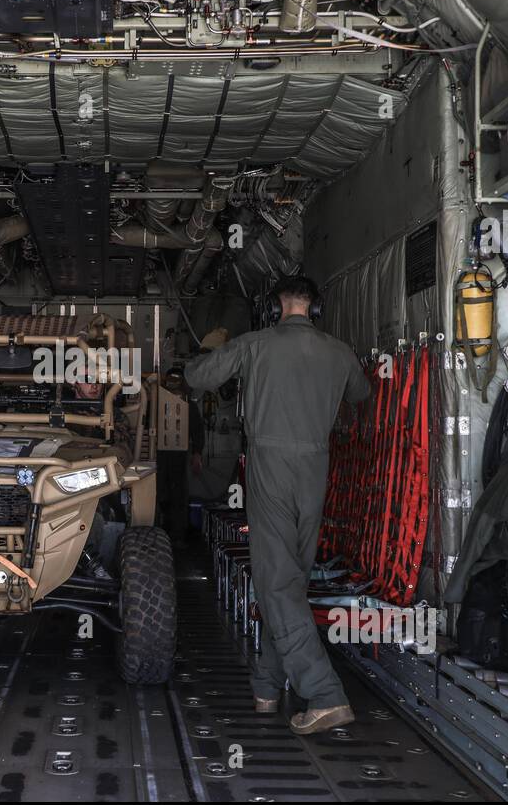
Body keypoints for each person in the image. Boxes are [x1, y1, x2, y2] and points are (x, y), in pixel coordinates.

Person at [185, 276, 370, 736]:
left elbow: (196, 376)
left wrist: (215, 350)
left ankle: (325, 695)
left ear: (274, 310)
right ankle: (267, 683)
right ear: (317, 311)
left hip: (270, 464)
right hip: (316, 467)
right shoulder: (339, 351)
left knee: (275, 580)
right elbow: (362, 395)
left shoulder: (256, 343)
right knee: (288, 580)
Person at [157, 367, 204, 545]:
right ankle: (163, 534)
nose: (173, 385)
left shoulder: (188, 405)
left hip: (178, 455)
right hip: (159, 456)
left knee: (178, 496)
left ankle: (177, 537)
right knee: (161, 495)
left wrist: (197, 454)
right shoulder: (157, 402)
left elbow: (197, 431)